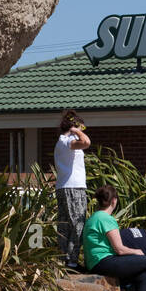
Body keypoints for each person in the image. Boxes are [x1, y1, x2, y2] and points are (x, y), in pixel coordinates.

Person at [54, 110, 91, 269]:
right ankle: (72, 261)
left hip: (63, 187)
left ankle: (64, 258)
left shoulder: (61, 141)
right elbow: (87, 142)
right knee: (77, 224)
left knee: (65, 225)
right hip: (73, 188)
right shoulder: (68, 141)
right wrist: (76, 130)